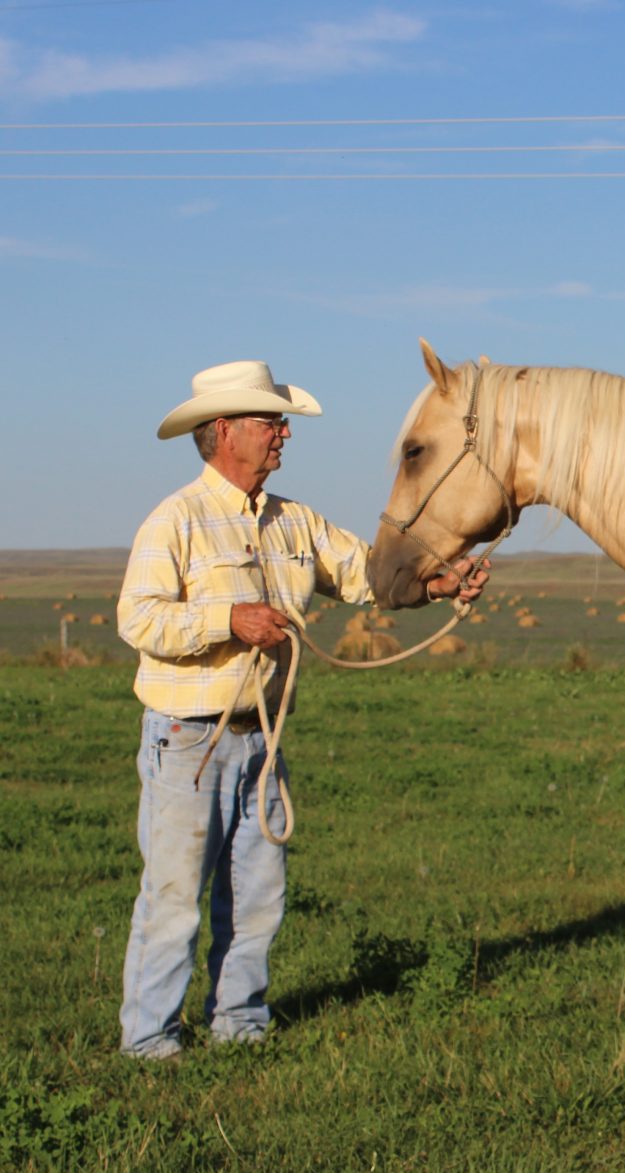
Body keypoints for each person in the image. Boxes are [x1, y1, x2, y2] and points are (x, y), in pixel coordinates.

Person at [116, 360, 486, 1059]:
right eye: (270, 420)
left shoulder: (295, 521)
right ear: (225, 431)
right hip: (188, 740)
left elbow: (366, 578)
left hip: (263, 739)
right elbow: (138, 620)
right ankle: (149, 1042)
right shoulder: (175, 521)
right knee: (172, 900)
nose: (283, 432)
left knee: (258, 898)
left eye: (280, 420)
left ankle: (240, 1025)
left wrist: (440, 581)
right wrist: (229, 620)